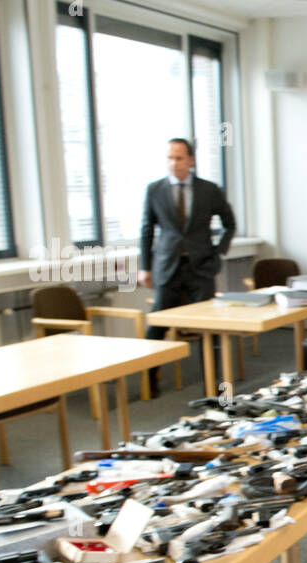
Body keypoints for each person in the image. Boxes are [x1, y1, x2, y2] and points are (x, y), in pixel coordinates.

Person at [138, 137, 236, 397]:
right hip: (167, 267)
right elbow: (147, 230)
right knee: (157, 324)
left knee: (207, 328)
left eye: (179, 158)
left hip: (201, 267)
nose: (174, 163)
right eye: (170, 158)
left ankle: (211, 387)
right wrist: (145, 267)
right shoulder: (154, 189)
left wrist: (218, 254)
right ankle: (150, 379)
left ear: (191, 160)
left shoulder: (209, 190)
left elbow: (230, 224)